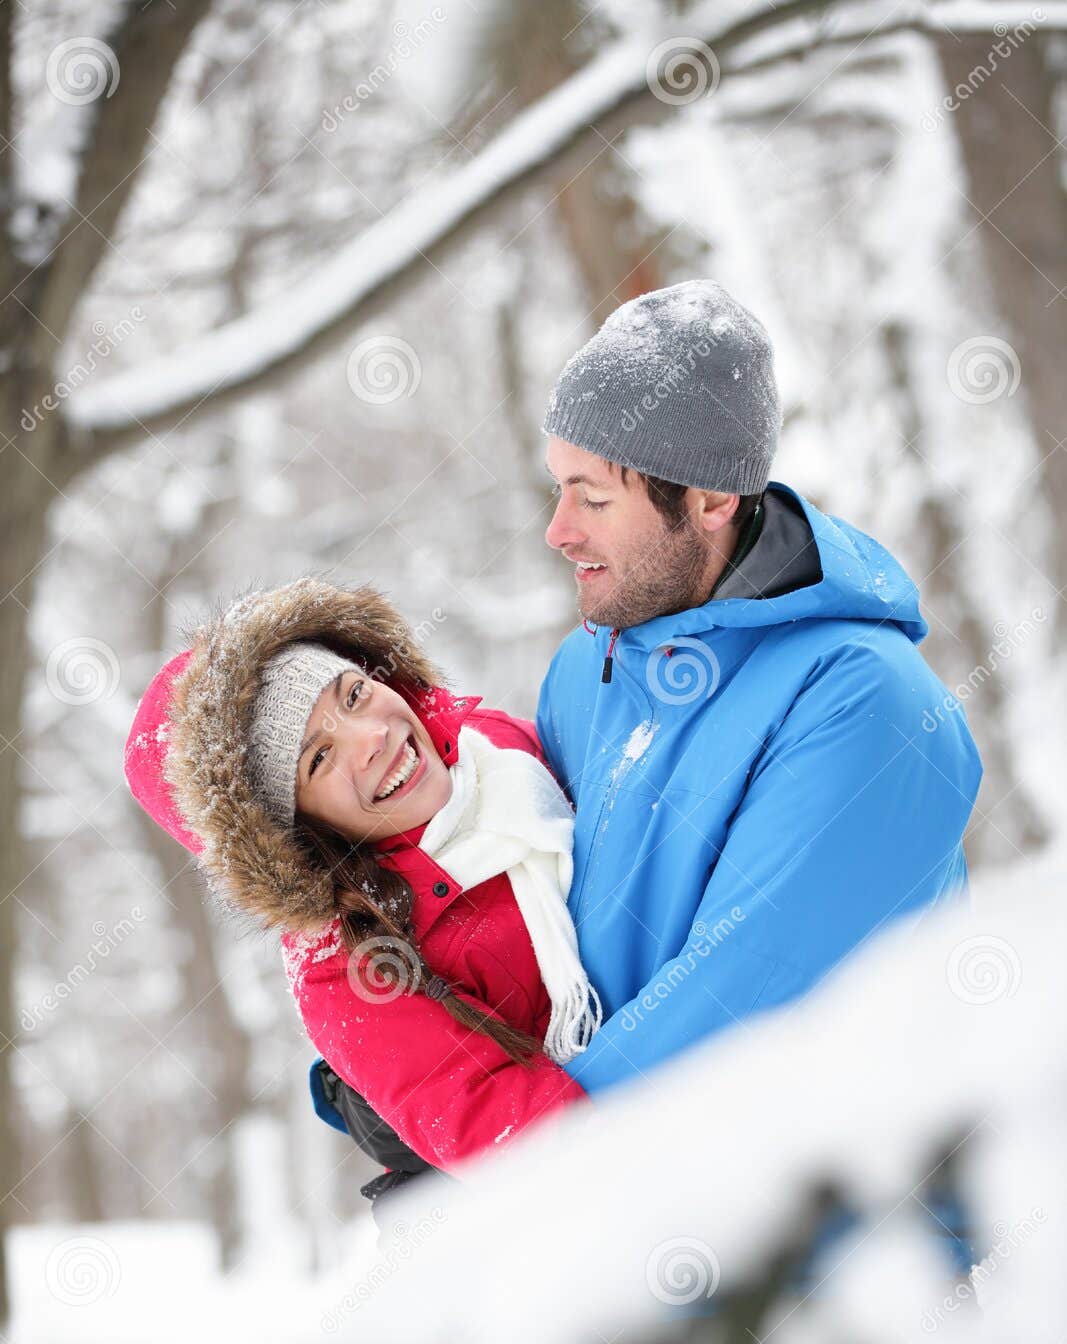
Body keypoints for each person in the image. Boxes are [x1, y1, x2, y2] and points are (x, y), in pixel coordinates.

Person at [318, 280, 982, 1269]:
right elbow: (521, 903)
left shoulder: (867, 707)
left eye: (592, 495)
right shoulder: (587, 671)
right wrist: (393, 1060)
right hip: (644, 1239)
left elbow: (735, 999)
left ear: (709, 498)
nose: (558, 529)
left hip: (838, 1268)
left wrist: (508, 1167)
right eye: (557, 487)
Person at [124, 579, 601, 1213]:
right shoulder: (347, 967)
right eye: (319, 758)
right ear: (295, 828)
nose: (371, 736)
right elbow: (504, 1128)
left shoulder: (495, 750)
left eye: (353, 693)